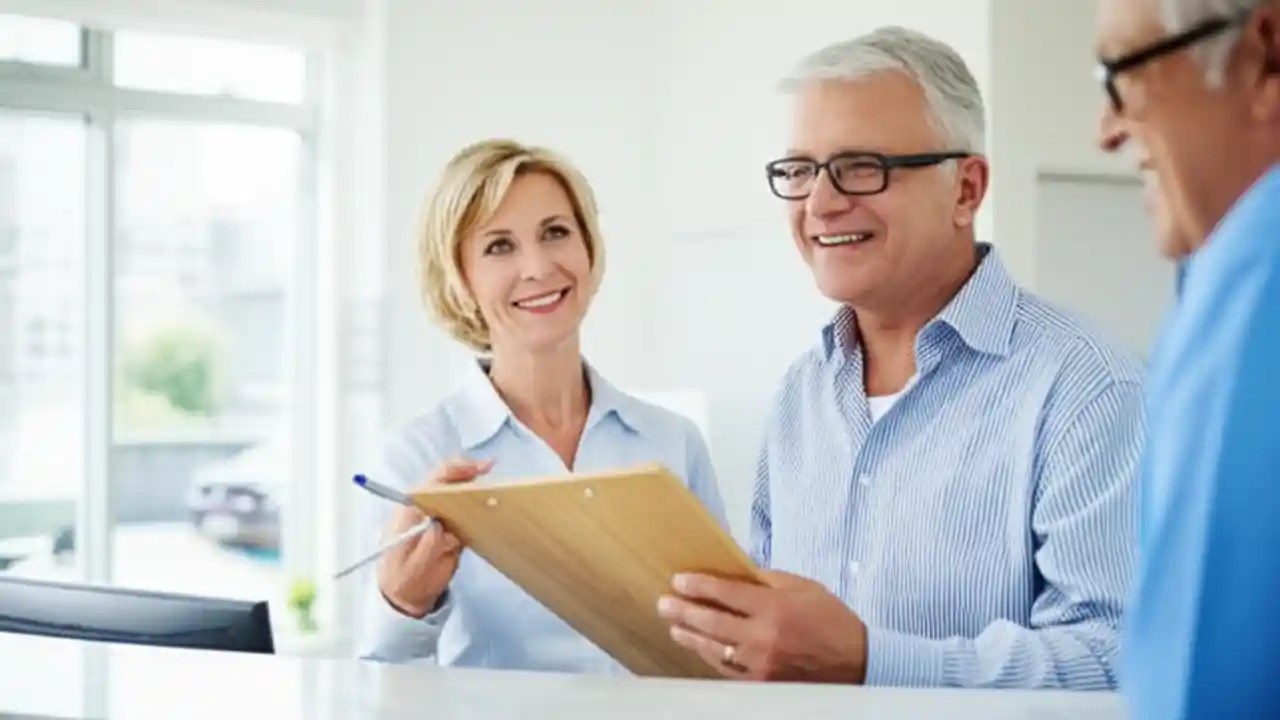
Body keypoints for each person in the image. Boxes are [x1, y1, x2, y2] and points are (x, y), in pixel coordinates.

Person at [655, 26, 1145, 689]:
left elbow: (1114, 661)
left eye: (862, 166)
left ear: (966, 189)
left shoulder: (1087, 387)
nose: (821, 203)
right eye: (800, 171)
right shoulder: (800, 396)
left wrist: (870, 660)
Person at [356, 138, 727, 673]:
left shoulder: (672, 441)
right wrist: (405, 603)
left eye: (556, 233)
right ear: (460, 279)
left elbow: (727, 651)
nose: (537, 266)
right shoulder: (417, 457)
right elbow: (378, 683)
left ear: (589, 249)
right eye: (499, 247)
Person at [1094, 0, 1280, 716]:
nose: (1105, 128)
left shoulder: (1251, 276)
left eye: (1125, 72)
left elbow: (1201, 695)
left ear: (1264, 55)